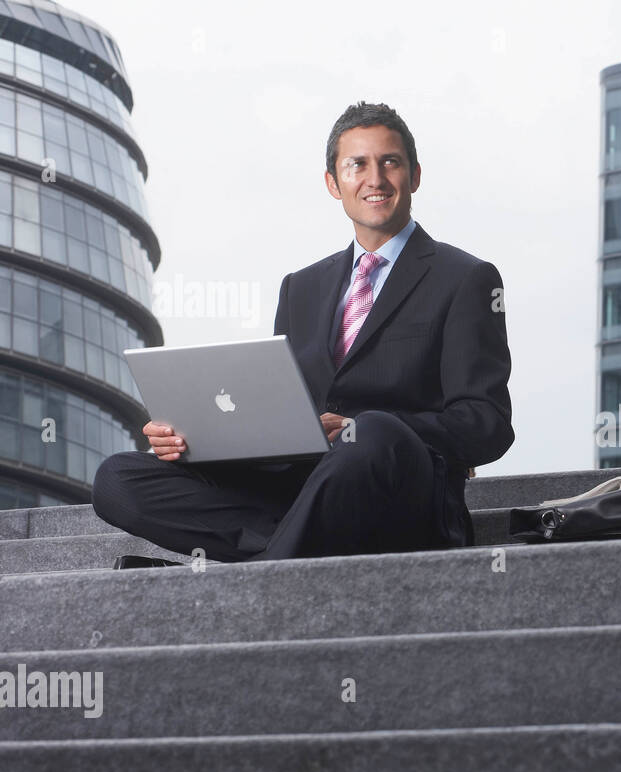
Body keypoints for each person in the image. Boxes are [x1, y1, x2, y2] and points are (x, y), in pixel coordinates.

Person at [91, 101, 513, 567]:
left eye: (389, 162)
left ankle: (259, 571)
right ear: (334, 183)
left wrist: (368, 426)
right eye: (357, 165)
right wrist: (191, 441)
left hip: (403, 496)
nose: (374, 179)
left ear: (414, 176)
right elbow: (281, 413)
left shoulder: (465, 278)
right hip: (300, 489)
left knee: (370, 432)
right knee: (118, 478)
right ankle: (282, 560)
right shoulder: (301, 288)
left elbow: (486, 425)